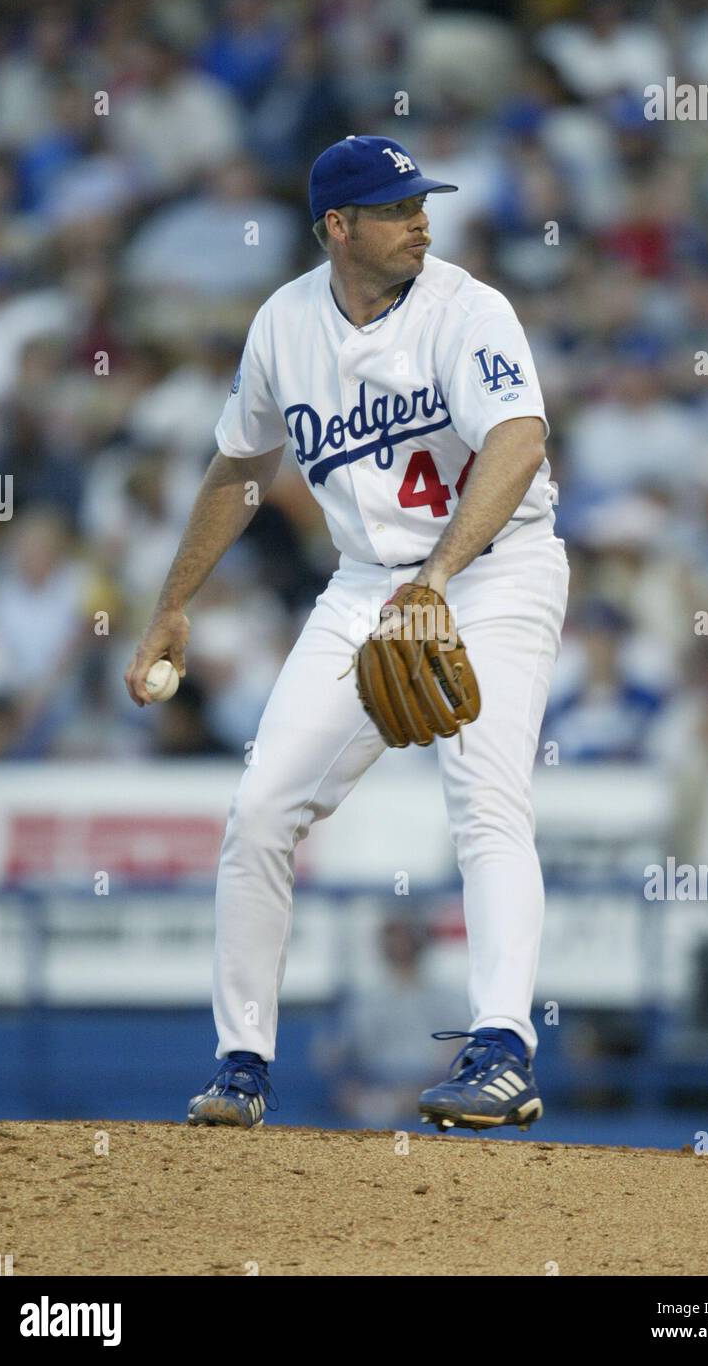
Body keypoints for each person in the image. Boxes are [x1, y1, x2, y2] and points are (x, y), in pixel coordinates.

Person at [124, 135, 569, 1132]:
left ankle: (501, 1047)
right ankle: (241, 1064)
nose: (420, 219)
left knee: (485, 797)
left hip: (494, 568)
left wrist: (440, 577)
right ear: (336, 227)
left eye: (422, 202)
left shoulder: (468, 308)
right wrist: (169, 603)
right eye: (396, 206)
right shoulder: (282, 324)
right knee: (259, 810)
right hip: (366, 580)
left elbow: (518, 439)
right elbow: (240, 467)